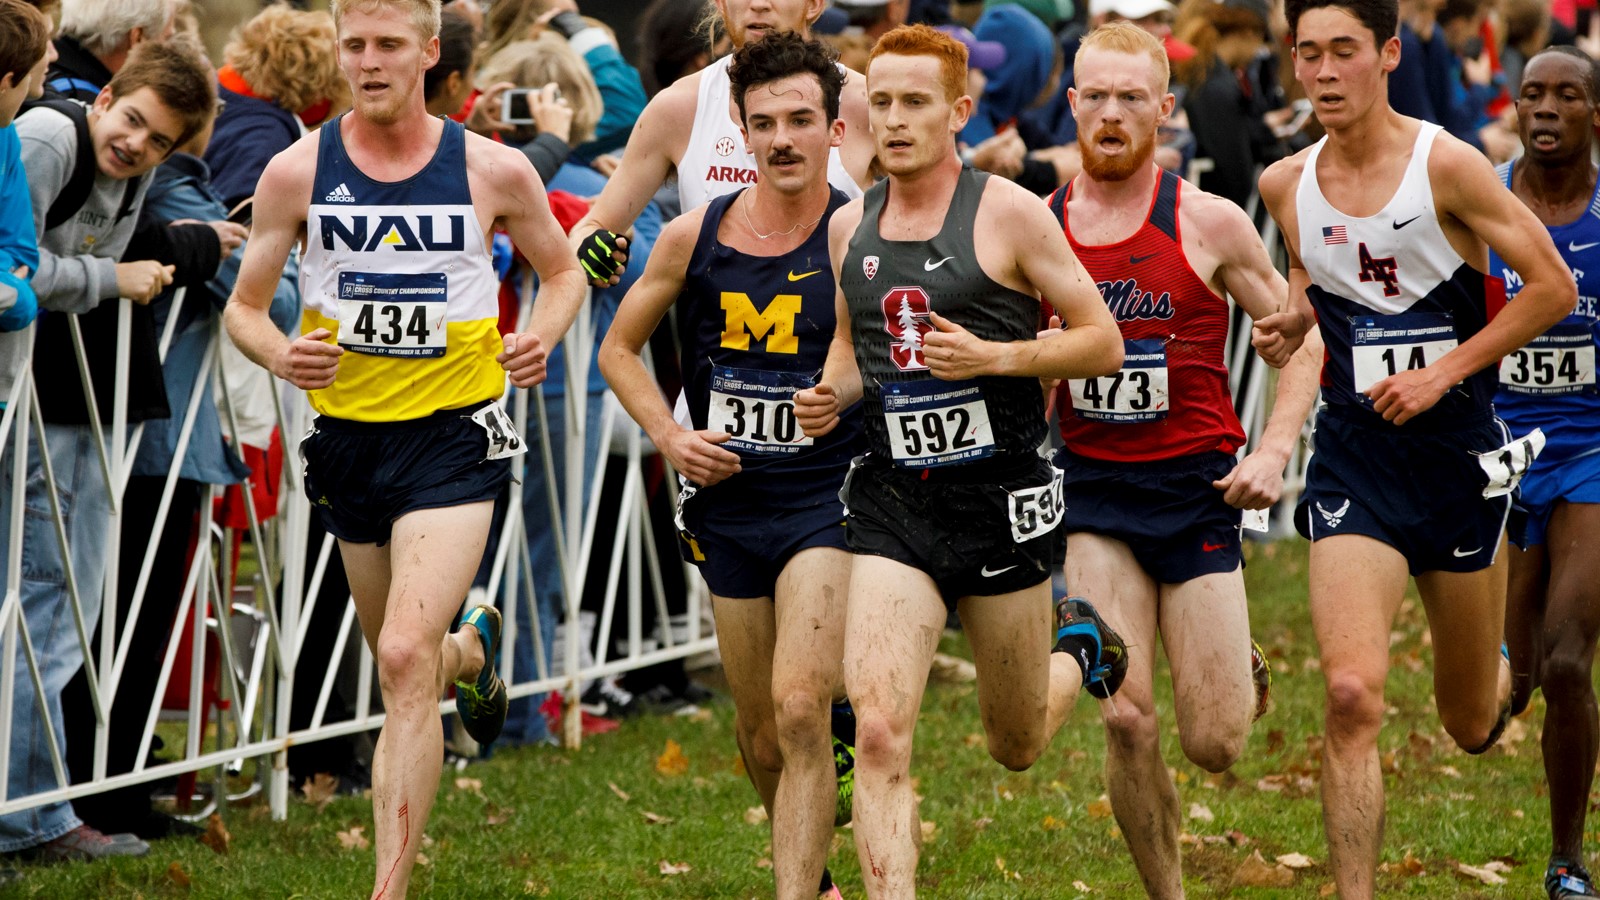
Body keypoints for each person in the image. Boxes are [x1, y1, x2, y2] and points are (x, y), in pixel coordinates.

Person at [221, 0, 585, 895]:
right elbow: (243, 307)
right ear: (338, 52)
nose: (371, 62)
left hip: (454, 438)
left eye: (390, 45)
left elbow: (564, 269)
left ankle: (389, 886)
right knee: (412, 659)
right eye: (355, 46)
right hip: (349, 442)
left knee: (397, 660)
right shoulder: (296, 170)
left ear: (429, 52)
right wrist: (281, 350)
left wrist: (539, 333)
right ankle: (474, 652)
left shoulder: (493, 170)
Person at [793, 24, 1128, 896]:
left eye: (916, 103)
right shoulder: (847, 226)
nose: (896, 121)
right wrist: (831, 395)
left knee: (1015, 745)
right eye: (883, 104)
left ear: (959, 112)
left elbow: (1102, 343)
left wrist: (997, 359)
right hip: (893, 502)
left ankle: (1077, 648)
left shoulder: (1009, 211)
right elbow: (852, 347)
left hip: (1003, 499)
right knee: (877, 732)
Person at [1258, 1, 1578, 896]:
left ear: (1389, 54)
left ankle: (1503, 659)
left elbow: (1550, 287)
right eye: (1308, 54)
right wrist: (1293, 320)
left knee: (1472, 721)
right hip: (1356, 456)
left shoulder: (1450, 165)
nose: (1323, 73)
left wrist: (1445, 373)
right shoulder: (1286, 181)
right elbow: (1311, 278)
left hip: (1458, 459)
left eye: (1344, 53)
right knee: (1353, 695)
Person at [1044, 22, 1322, 899]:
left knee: (1216, 744)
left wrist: (1275, 449)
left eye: (1134, 97)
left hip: (1198, 488)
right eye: (1097, 96)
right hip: (1092, 491)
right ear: (1073, 104)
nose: (1113, 113)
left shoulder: (1207, 222)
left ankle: (1235, 660)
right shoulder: (1033, 228)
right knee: (1124, 714)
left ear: (1165, 110)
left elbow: (1303, 342)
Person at [602, 32, 858, 900]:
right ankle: (817, 876)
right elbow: (619, 352)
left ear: (834, 130)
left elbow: (897, 351)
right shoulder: (691, 234)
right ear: (741, 135)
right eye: (764, 123)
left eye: (800, 120)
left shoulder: (859, 235)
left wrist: (842, 389)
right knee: (758, 731)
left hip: (829, 495)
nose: (782, 138)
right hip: (728, 497)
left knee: (797, 707)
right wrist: (672, 439)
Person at [0, 35, 215, 864]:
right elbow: (21, 269)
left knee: (60, 611)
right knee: (46, 608)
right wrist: (114, 281)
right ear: (105, 95)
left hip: (66, 404)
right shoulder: (49, 139)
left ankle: (35, 811)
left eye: (158, 140)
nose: (135, 146)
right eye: (131, 121)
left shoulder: (132, 172)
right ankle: (29, 820)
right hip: (33, 404)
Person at [1493, 46, 1600, 900]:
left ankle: (1566, 861)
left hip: (1593, 453)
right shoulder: (1478, 201)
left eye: (1568, 94)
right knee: (1507, 693)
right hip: (1494, 456)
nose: (1547, 108)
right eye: (1533, 94)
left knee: (1568, 665)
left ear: (1595, 114)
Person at [569, 0, 875, 289]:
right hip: (717, 338)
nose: (758, 4)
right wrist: (592, 248)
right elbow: (595, 224)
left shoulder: (869, 103)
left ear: (815, 4)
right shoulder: (679, 106)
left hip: (839, 338)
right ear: (720, 3)